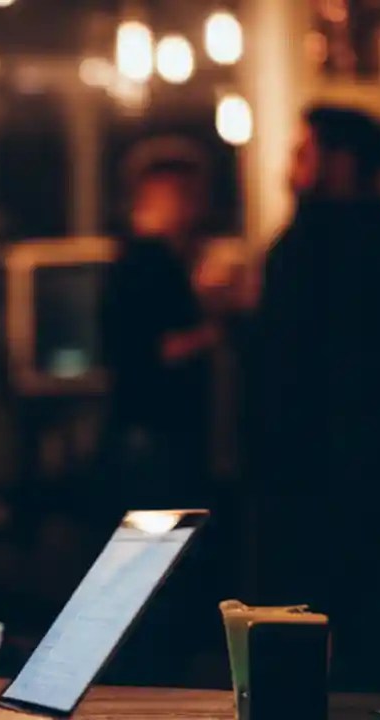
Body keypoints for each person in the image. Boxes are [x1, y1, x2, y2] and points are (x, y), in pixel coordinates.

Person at [252, 106, 380, 693]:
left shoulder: (299, 248)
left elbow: (277, 377)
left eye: (305, 151)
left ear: (339, 162)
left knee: (306, 647)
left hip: (309, 481)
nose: (293, 166)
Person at [102, 159, 217, 510]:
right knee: (152, 551)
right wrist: (221, 328)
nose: (196, 206)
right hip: (155, 431)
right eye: (184, 195)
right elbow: (152, 350)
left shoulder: (144, 259)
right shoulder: (149, 262)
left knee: (151, 554)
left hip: (149, 429)